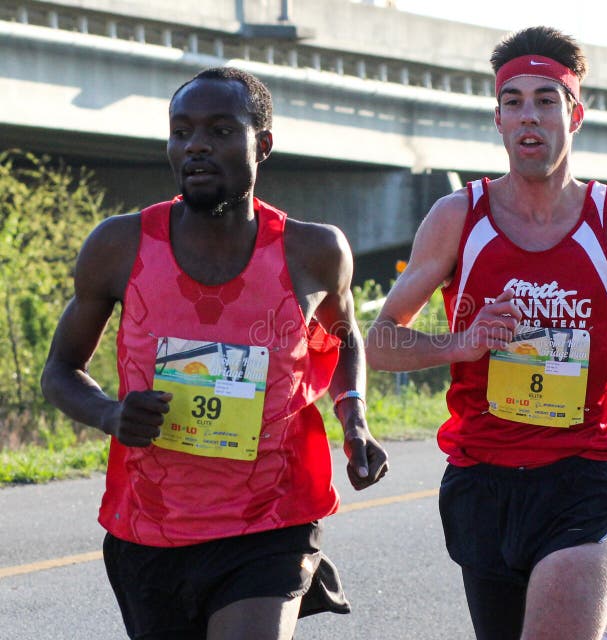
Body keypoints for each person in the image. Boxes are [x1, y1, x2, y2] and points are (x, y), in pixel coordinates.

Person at [41, 66, 388, 640]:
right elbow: (60, 370)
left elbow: (343, 335)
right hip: (150, 530)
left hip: (273, 522)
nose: (196, 145)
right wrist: (110, 414)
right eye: (182, 131)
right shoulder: (119, 245)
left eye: (221, 131)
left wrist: (354, 418)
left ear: (264, 144)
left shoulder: (314, 252)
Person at [365, 26, 607, 640]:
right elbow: (380, 342)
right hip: (482, 475)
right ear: (497, 119)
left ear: (576, 114)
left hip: (582, 469)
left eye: (546, 100)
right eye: (513, 102)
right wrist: (458, 344)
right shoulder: (458, 218)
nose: (529, 117)